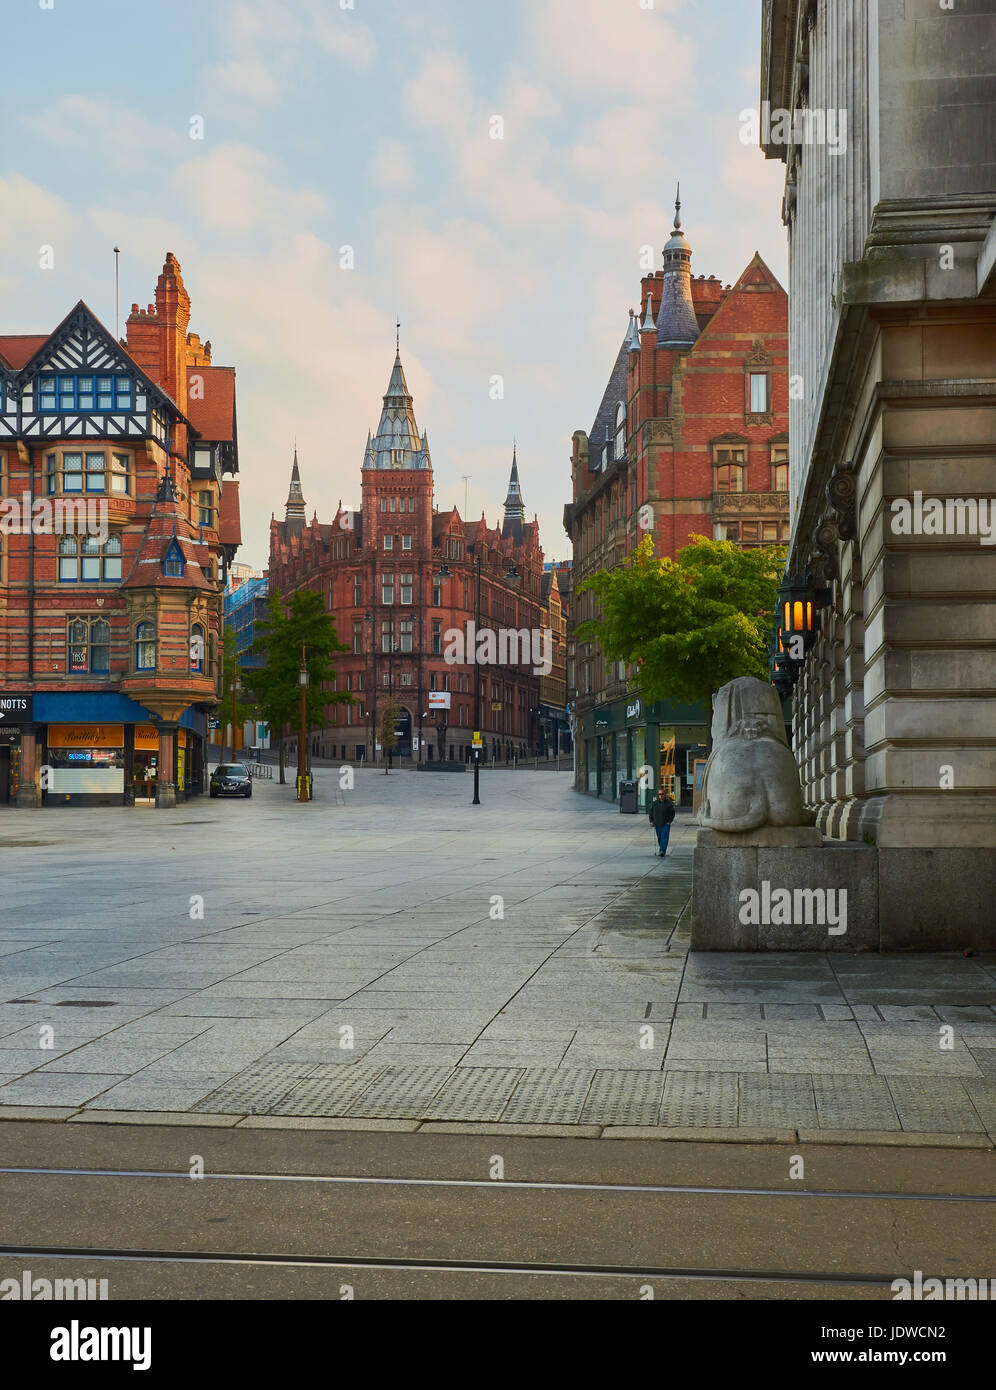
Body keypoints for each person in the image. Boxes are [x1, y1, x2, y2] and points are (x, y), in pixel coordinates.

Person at [649, 786, 676, 856]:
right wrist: (651, 821)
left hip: (665, 823)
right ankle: (661, 848)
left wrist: (669, 821)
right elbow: (651, 812)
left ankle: (662, 851)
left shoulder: (669, 804)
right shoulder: (655, 803)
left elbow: (672, 813)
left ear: (665, 794)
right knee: (660, 838)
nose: (661, 796)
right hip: (657, 824)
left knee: (664, 837)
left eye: (662, 794)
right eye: (659, 794)